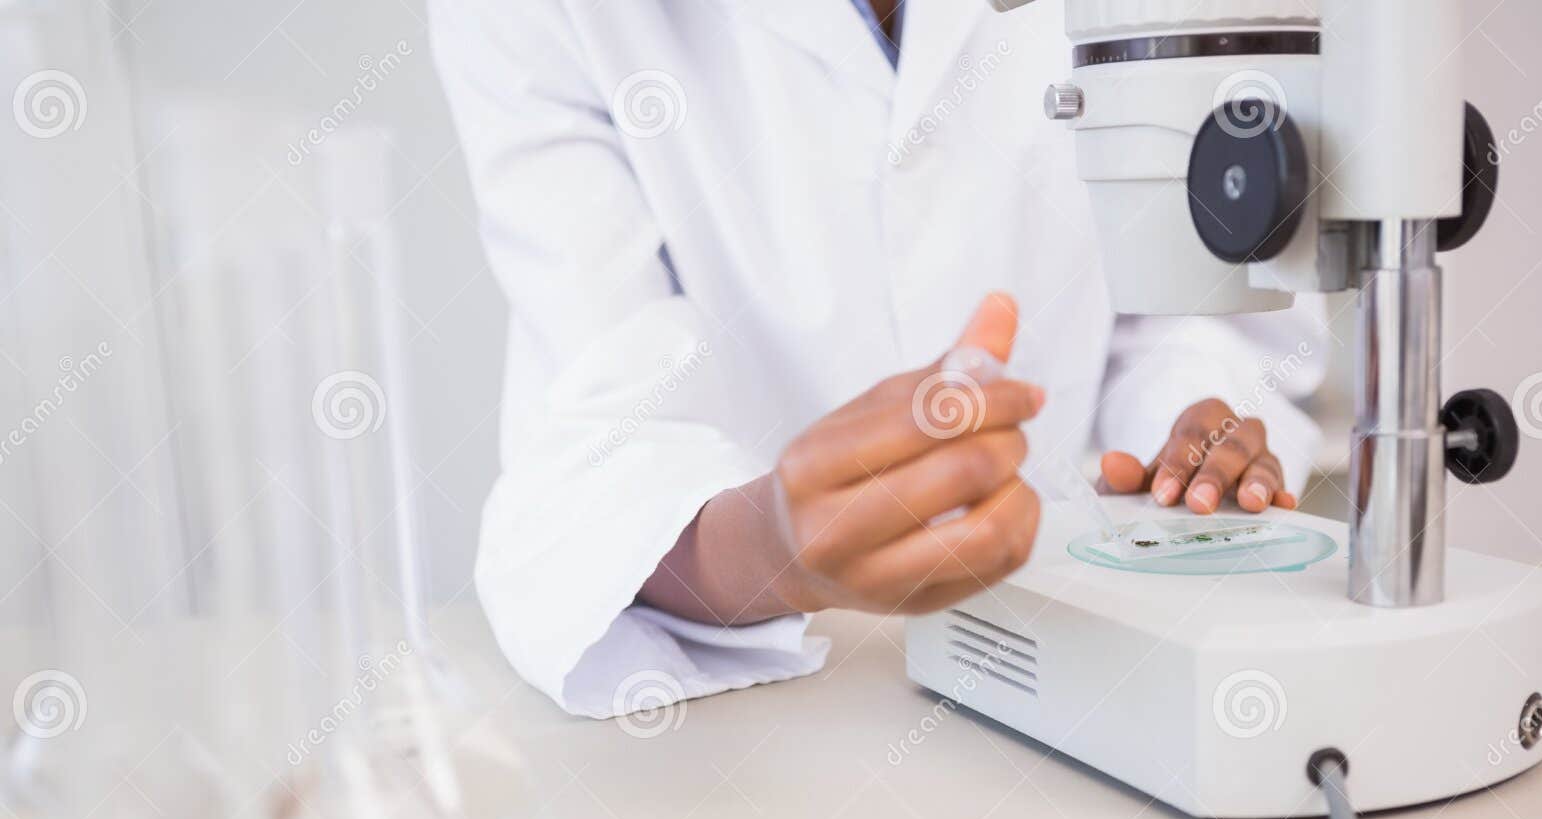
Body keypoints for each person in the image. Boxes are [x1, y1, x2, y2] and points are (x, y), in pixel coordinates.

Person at [430, 0, 1326, 718]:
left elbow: (1185, 289)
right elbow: (602, 435)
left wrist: (1189, 413)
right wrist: (777, 546)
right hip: (765, 721)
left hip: (1084, 666)